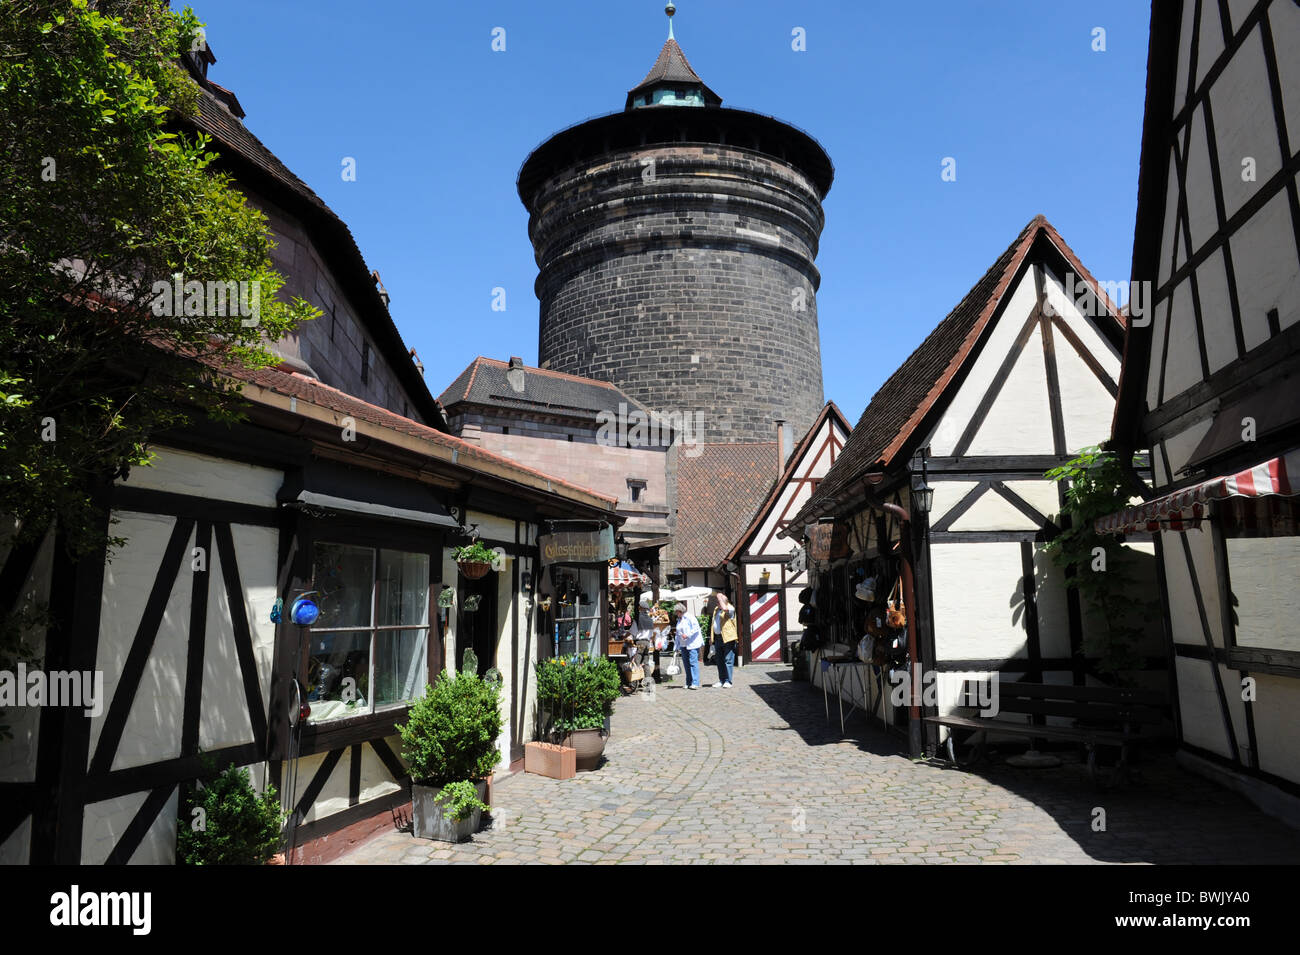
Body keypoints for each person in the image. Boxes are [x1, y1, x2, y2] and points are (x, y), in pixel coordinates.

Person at [711, 592, 739, 688]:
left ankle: (728, 681)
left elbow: (725, 609)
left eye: (718, 601)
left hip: (728, 638)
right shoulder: (716, 609)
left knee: (728, 660)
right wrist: (712, 637)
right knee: (719, 660)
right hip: (718, 638)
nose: (717, 603)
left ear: (724, 602)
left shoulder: (730, 608)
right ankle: (721, 680)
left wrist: (720, 597)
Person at [673, 604, 703, 689]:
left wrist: (688, 634)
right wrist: (676, 646)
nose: (676, 614)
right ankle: (688, 682)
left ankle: (695, 682)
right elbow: (678, 634)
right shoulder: (679, 620)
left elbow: (696, 628)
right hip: (683, 644)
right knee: (686, 664)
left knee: (693, 663)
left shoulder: (690, 617)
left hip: (692, 643)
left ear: (680, 611)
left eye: (676, 612)